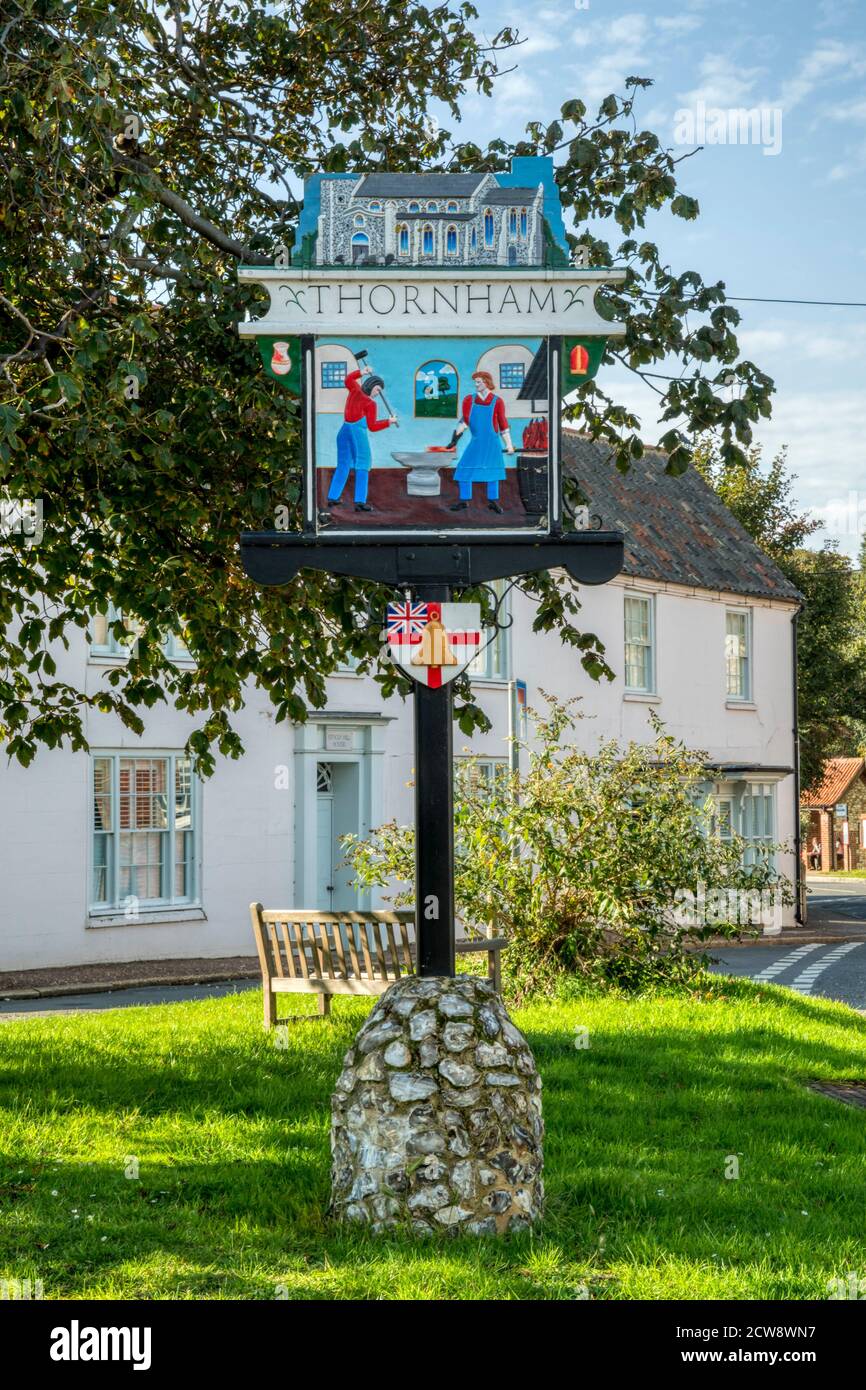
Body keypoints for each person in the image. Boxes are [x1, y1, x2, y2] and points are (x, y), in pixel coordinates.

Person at [327, 364, 397, 513]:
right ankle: (359, 502)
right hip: (357, 432)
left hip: (344, 430)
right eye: (378, 389)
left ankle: (333, 497)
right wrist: (388, 422)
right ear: (371, 386)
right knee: (363, 464)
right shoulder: (370, 403)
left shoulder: (355, 391)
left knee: (343, 464)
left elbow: (348, 380)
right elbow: (372, 426)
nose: (378, 393)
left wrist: (361, 372)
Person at [446, 370, 514, 514]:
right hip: (476, 442)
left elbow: (503, 424)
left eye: (479, 382)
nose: (476, 384)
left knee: (492, 472)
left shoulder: (497, 401)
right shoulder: (469, 400)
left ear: (487, 382)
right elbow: (464, 421)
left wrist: (508, 444)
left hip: (492, 443)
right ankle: (464, 501)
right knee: (464, 468)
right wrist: (454, 440)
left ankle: (493, 502)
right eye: (475, 382)